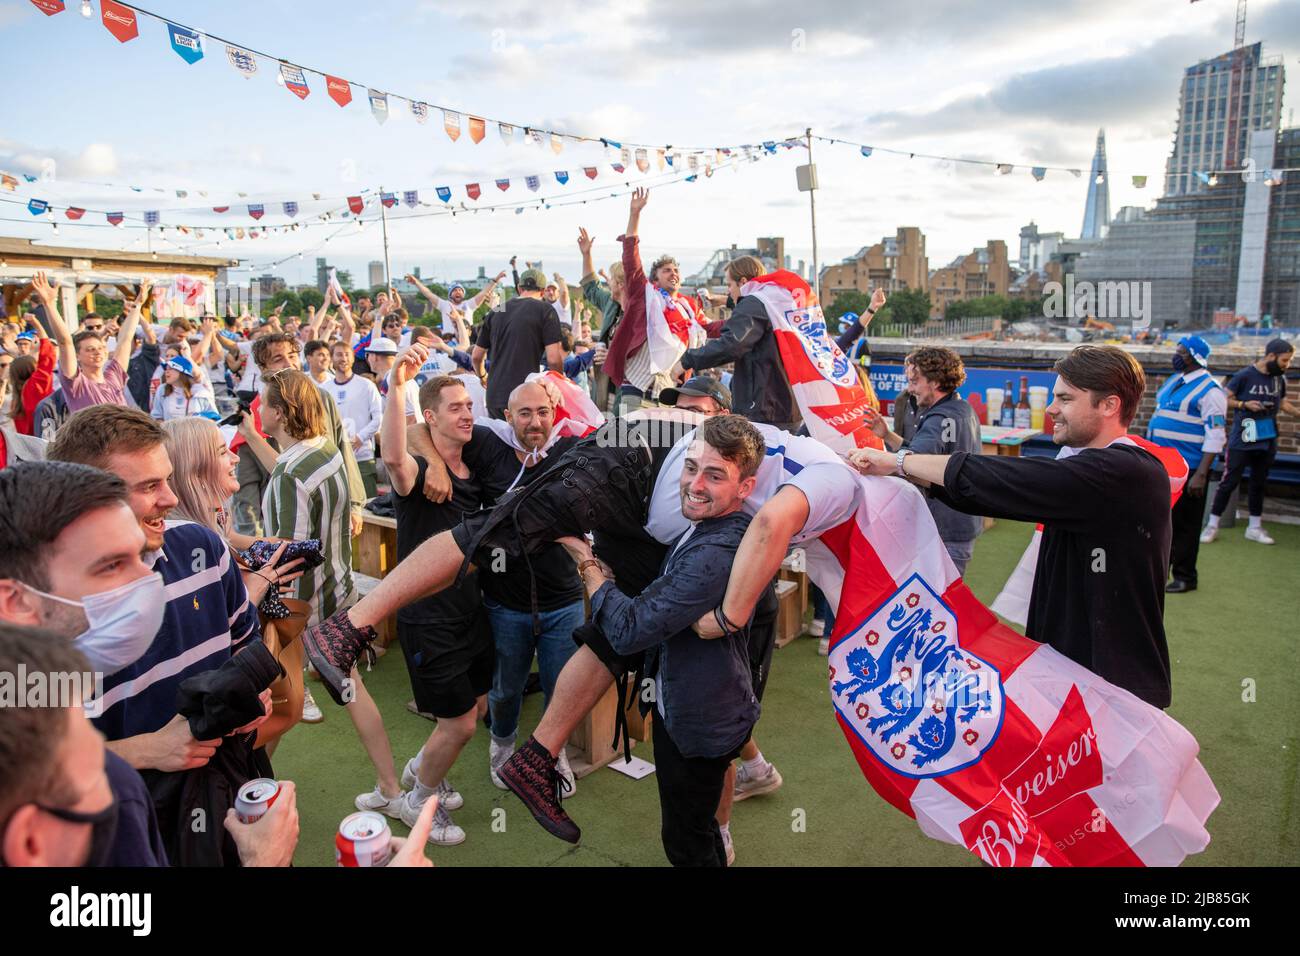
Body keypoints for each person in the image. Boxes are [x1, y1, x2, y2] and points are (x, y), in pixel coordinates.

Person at [849, 345, 1174, 709]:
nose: (1051, 410)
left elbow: (1005, 478)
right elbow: (991, 491)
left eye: (1065, 399)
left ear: (1109, 405)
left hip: (1115, 691)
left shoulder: (1126, 473)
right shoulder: (1088, 467)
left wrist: (898, 461)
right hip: (1073, 678)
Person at [549, 415, 763, 866]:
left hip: (699, 722)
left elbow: (629, 631)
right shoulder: (703, 527)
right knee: (698, 828)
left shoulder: (713, 551)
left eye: (715, 475)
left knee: (686, 842)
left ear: (746, 488)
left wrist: (586, 563)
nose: (695, 484)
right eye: (690, 468)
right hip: (699, 707)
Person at [255, 369, 405, 817]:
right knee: (343, 692)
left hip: (299, 608)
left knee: (275, 707)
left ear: (279, 413)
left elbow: (289, 554)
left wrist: (277, 619)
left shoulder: (289, 471)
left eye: (265, 405)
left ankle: (252, 793)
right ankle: (391, 789)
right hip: (337, 591)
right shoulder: (327, 450)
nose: (259, 411)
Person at [383, 355, 491, 845]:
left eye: (469, 405)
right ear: (430, 417)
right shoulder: (419, 472)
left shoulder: (477, 466)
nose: (466, 414)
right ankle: (416, 797)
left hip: (472, 610)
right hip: (429, 617)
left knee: (476, 708)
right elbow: (392, 459)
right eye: (454, 408)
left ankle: (424, 768)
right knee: (461, 723)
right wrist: (396, 386)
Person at [230, 332, 365, 539]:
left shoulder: (322, 398)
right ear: (263, 368)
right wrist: (254, 542)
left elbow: (342, 448)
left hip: (327, 511)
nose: (289, 364)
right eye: (278, 359)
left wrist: (354, 504)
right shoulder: (257, 415)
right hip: (282, 526)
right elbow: (246, 492)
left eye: (292, 356)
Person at [863, 346, 983, 573]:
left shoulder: (940, 416)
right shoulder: (962, 408)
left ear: (935, 382)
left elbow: (912, 463)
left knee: (937, 603)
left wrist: (873, 460)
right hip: (960, 522)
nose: (910, 388)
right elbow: (926, 457)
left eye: (915, 381)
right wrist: (887, 435)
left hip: (944, 527)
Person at [603, 189, 707, 416]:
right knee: (626, 443)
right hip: (638, 385)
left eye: (676, 270)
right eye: (667, 270)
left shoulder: (689, 308)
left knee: (660, 447)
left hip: (668, 389)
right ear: (655, 278)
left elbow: (714, 329)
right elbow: (631, 258)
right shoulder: (647, 295)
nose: (674, 273)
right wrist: (635, 214)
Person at [679, 256, 802, 431]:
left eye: (729, 285)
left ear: (743, 282)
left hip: (763, 409)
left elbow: (731, 344)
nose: (729, 291)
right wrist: (725, 300)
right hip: (787, 406)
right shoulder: (777, 301)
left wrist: (686, 360)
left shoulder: (753, 302)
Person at [1145, 336, 1227, 592]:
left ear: (1193, 356)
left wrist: (1202, 474)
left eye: (1181, 351)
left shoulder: (1211, 390)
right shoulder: (1175, 381)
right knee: (1162, 520)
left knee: (1186, 525)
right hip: (1163, 464)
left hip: (1190, 467)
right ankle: (1162, 570)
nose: (1176, 355)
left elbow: (1216, 434)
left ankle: (1185, 576)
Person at [1201, 338, 1297, 547]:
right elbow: (1223, 399)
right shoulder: (1244, 375)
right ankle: (1213, 524)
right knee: (1230, 480)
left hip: (1268, 433)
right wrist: (1245, 404)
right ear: (1271, 356)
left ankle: (1254, 527)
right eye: (1284, 360)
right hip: (1246, 432)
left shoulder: (1279, 379)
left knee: (1259, 482)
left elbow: (1283, 402)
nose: (1286, 365)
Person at [39, 271, 147, 413]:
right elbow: (65, 342)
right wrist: (50, 305)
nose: (97, 352)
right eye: (90, 349)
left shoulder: (114, 377)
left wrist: (137, 305)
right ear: (77, 355)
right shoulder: (76, 384)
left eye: (101, 348)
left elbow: (125, 340)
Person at [473, 268, 565, 419]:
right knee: (525, 442)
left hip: (494, 396)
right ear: (542, 292)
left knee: (498, 442)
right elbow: (554, 359)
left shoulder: (497, 311)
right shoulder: (545, 310)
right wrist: (559, 384)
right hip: (525, 396)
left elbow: (476, 357)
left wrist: (483, 376)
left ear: (519, 289)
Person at [324, 339, 383, 498]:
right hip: (334, 458)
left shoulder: (366, 385)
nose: (343, 358)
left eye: (347, 354)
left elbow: (379, 417)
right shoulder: (324, 389)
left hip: (362, 457)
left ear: (353, 358)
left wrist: (360, 437)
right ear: (331, 358)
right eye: (338, 355)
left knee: (367, 504)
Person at [578, 227, 623, 410]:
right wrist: (586, 254)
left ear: (620, 283)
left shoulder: (640, 310)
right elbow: (592, 287)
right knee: (604, 428)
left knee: (622, 431)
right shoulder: (612, 303)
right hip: (605, 385)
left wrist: (612, 355)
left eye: (611, 279)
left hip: (627, 389)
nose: (608, 282)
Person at [408, 272, 507, 342]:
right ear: (450, 295)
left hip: (468, 340)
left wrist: (496, 279)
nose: (458, 292)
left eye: (460, 290)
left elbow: (484, 292)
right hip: (449, 341)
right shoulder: (444, 305)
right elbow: (428, 294)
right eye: (455, 290)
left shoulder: (469, 304)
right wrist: (416, 282)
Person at [149, 355, 219, 422]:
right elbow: (156, 417)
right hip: (168, 433)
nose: (166, 371)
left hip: (196, 433)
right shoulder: (162, 389)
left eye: (171, 368)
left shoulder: (200, 392)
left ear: (182, 372)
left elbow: (215, 418)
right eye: (166, 368)